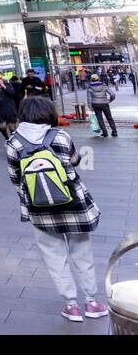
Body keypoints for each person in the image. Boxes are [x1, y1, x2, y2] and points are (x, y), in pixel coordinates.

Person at [6, 96, 107, 322]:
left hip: (41, 211)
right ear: (48, 113)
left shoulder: (13, 143)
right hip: (74, 206)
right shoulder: (60, 135)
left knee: (54, 257)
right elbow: (74, 160)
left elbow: (15, 180)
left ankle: (71, 306)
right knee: (82, 254)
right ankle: (91, 302)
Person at [0, 76, 19, 140]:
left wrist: (3, 85)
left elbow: (12, 92)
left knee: (12, 128)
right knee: (2, 126)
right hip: (0, 110)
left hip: (10, 109)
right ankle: (7, 138)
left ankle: (13, 140)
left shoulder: (7, 85)